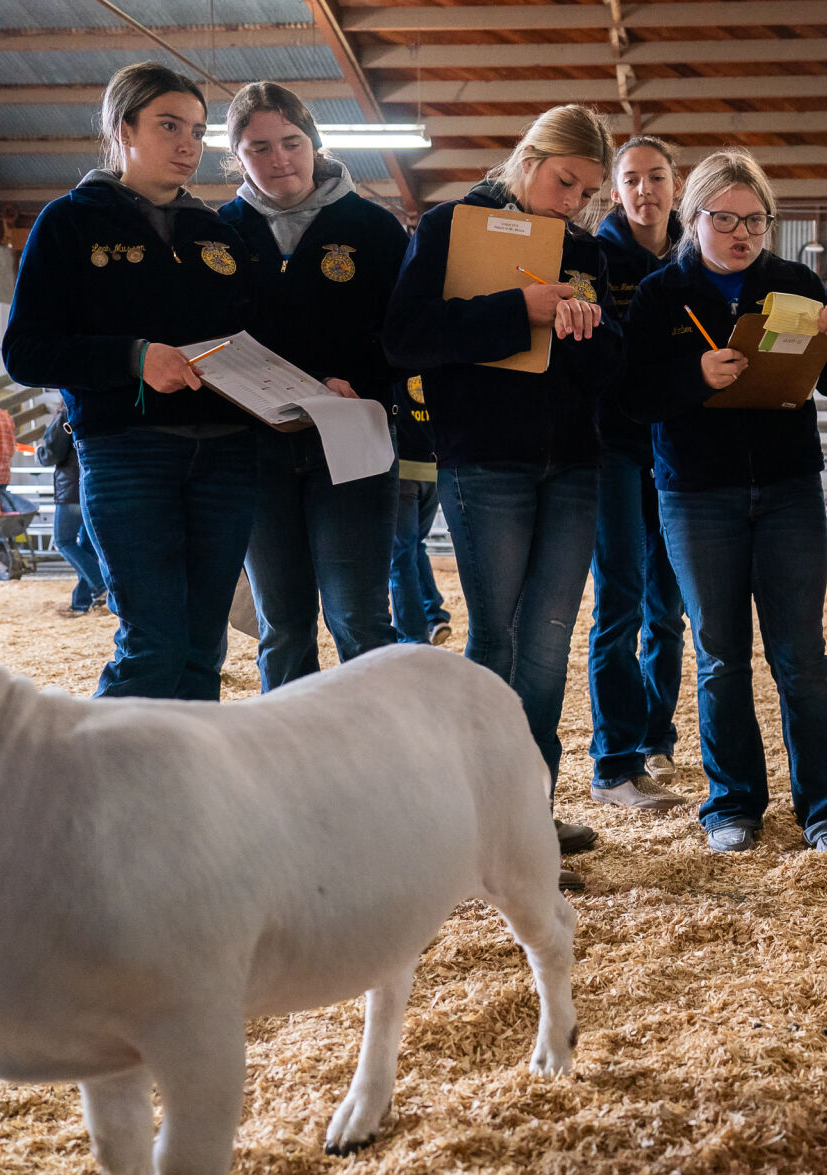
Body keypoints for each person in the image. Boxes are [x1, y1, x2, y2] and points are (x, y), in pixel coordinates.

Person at [384, 104, 621, 890]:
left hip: (572, 462)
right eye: (564, 181)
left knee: (550, 641)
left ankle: (531, 814)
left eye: (587, 192)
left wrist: (589, 329)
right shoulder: (452, 227)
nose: (572, 201)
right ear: (528, 157)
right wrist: (514, 310)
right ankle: (478, 827)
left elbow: (607, 373)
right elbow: (407, 337)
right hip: (484, 460)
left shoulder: (586, 251)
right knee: (495, 641)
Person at [622, 149, 827, 856]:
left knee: (801, 655)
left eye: (755, 220)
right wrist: (693, 376)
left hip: (789, 486)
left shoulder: (792, 282)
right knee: (721, 654)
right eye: (725, 218)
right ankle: (732, 803)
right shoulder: (661, 295)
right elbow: (633, 396)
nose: (741, 233)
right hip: (696, 492)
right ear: (693, 218)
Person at [3, 62, 254, 700]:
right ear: (124, 129)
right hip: (128, 451)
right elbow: (26, 351)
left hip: (227, 452)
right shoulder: (69, 223)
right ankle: (106, 790)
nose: (187, 145)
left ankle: (187, 793)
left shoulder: (216, 233)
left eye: (198, 132)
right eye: (169, 126)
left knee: (203, 645)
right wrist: (135, 358)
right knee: (153, 641)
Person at [219, 81, 409, 691]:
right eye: (259, 148)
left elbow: (406, 336)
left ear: (315, 142)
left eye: (291, 142)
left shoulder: (375, 229)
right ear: (238, 157)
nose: (279, 160)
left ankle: (374, 765)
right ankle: (286, 769)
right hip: (258, 448)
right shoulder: (217, 233)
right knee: (282, 622)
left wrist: (367, 384)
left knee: (358, 616)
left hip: (350, 443)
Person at [588, 135, 690, 813]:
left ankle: (656, 733)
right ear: (616, 190)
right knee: (619, 602)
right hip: (615, 447)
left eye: (656, 177)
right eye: (632, 179)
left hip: (679, 448)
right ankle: (614, 760)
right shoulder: (594, 257)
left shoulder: (694, 255)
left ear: (675, 185)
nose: (645, 190)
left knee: (670, 608)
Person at [389, 373, 452, 646]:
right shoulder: (435, 353)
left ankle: (412, 635)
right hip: (435, 467)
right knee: (414, 546)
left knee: (400, 553)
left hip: (403, 466)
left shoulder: (394, 353)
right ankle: (433, 615)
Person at [36, 401, 108, 617]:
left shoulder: (67, 413)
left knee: (63, 540)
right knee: (86, 547)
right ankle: (81, 603)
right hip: (94, 486)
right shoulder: (101, 410)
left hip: (71, 489)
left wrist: (40, 451)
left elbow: (52, 454)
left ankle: (101, 584)